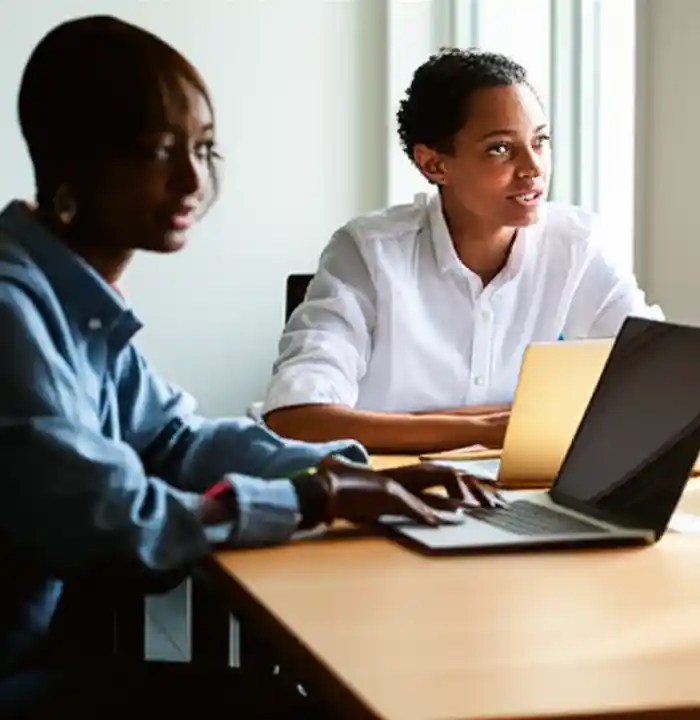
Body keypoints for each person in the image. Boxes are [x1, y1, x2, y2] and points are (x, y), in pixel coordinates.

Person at [0, 16, 496, 718]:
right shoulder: (11, 312)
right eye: (158, 151)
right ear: (71, 163)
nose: (192, 180)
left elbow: (175, 441)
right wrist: (315, 499)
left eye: (204, 149)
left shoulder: (68, 295)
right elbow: (120, 524)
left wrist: (339, 471)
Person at [262, 49, 660, 454]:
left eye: (540, 141)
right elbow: (295, 418)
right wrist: (484, 429)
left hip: (520, 494)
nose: (533, 167)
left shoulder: (578, 245)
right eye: (501, 149)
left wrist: (424, 423)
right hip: (397, 494)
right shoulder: (369, 252)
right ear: (434, 165)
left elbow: (662, 381)